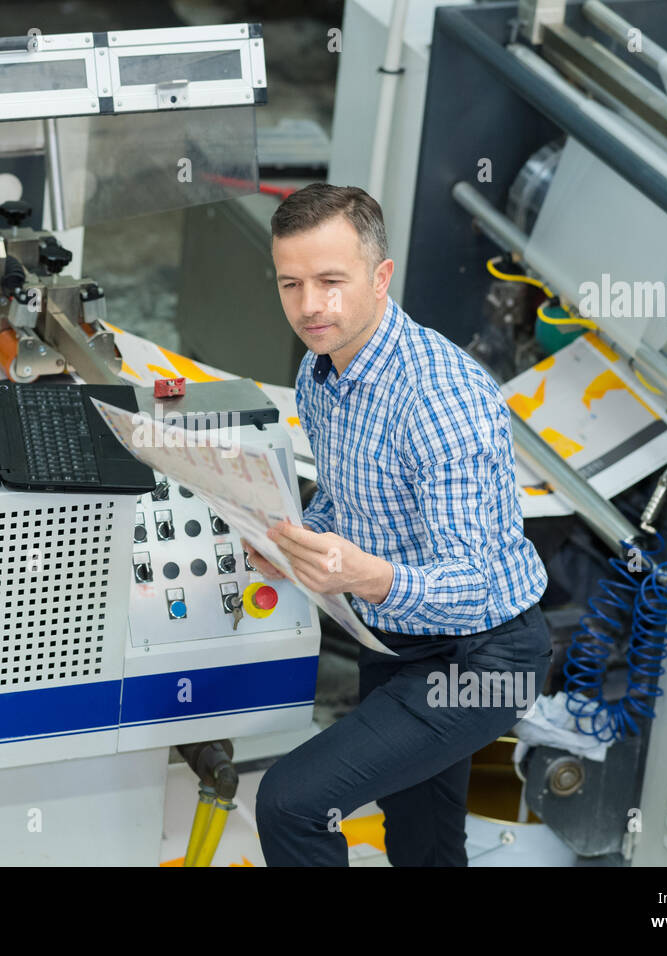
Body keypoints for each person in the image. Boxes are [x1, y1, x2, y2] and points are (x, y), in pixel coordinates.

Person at [247, 183, 552, 866]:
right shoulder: (320, 373)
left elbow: (471, 586)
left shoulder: (438, 398)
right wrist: (290, 542)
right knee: (420, 835)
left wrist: (367, 576)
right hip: (395, 640)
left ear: (381, 278)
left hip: (483, 656)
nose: (308, 306)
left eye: (331, 281)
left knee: (292, 803)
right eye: (290, 284)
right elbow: (347, 501)